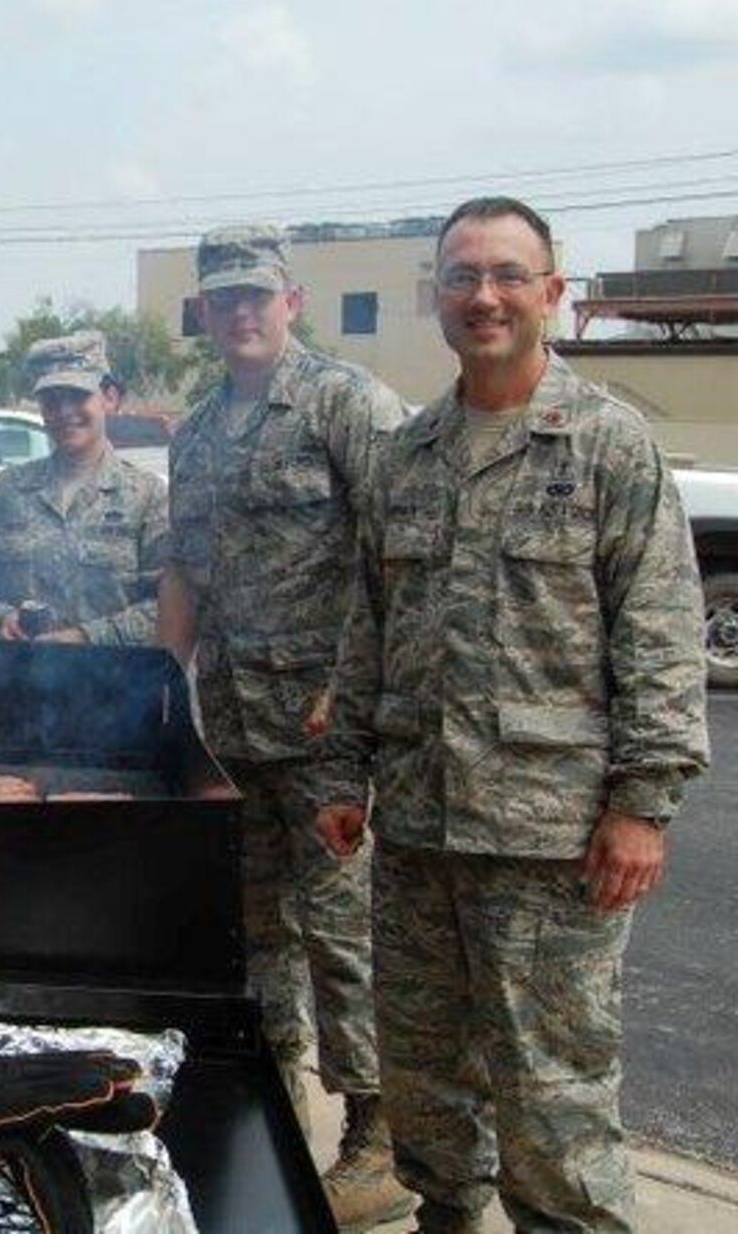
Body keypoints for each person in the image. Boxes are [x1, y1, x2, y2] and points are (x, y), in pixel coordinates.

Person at [325, 197, 708, 1234]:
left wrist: (642, 802)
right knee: (423, 1090)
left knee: (553, 1105)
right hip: (414, 829)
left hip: (551, 842)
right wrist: (338, 773)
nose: (481, 296)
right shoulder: (406, 455)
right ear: (435, 298)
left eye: (504, 274)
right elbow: (368, 624)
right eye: (459, 276)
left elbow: (659, 632)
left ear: (550, 292)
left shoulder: (604, 446)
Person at [156, 224, 412, 1229]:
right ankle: (267, 1109)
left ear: (290, 299)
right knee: (251, 932)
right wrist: (158, 684)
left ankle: (377, 1137)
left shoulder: (344, 402)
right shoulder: (193, 430)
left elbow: (400, 546)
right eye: (223, 300)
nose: (242, 313)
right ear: (204, 314)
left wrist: (355, 687)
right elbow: (181, 567)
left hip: (323, 727)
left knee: (339, 931)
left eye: (257, 295)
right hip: (231, 722)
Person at [0, 331, 168, 645]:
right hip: (16, 684)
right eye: (51, 400)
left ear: (109, 397)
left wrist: (86, 637)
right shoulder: (7, 491)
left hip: (111, 686)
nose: (64, 411)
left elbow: (169, 607)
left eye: (77, 396)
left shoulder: (147, 497)